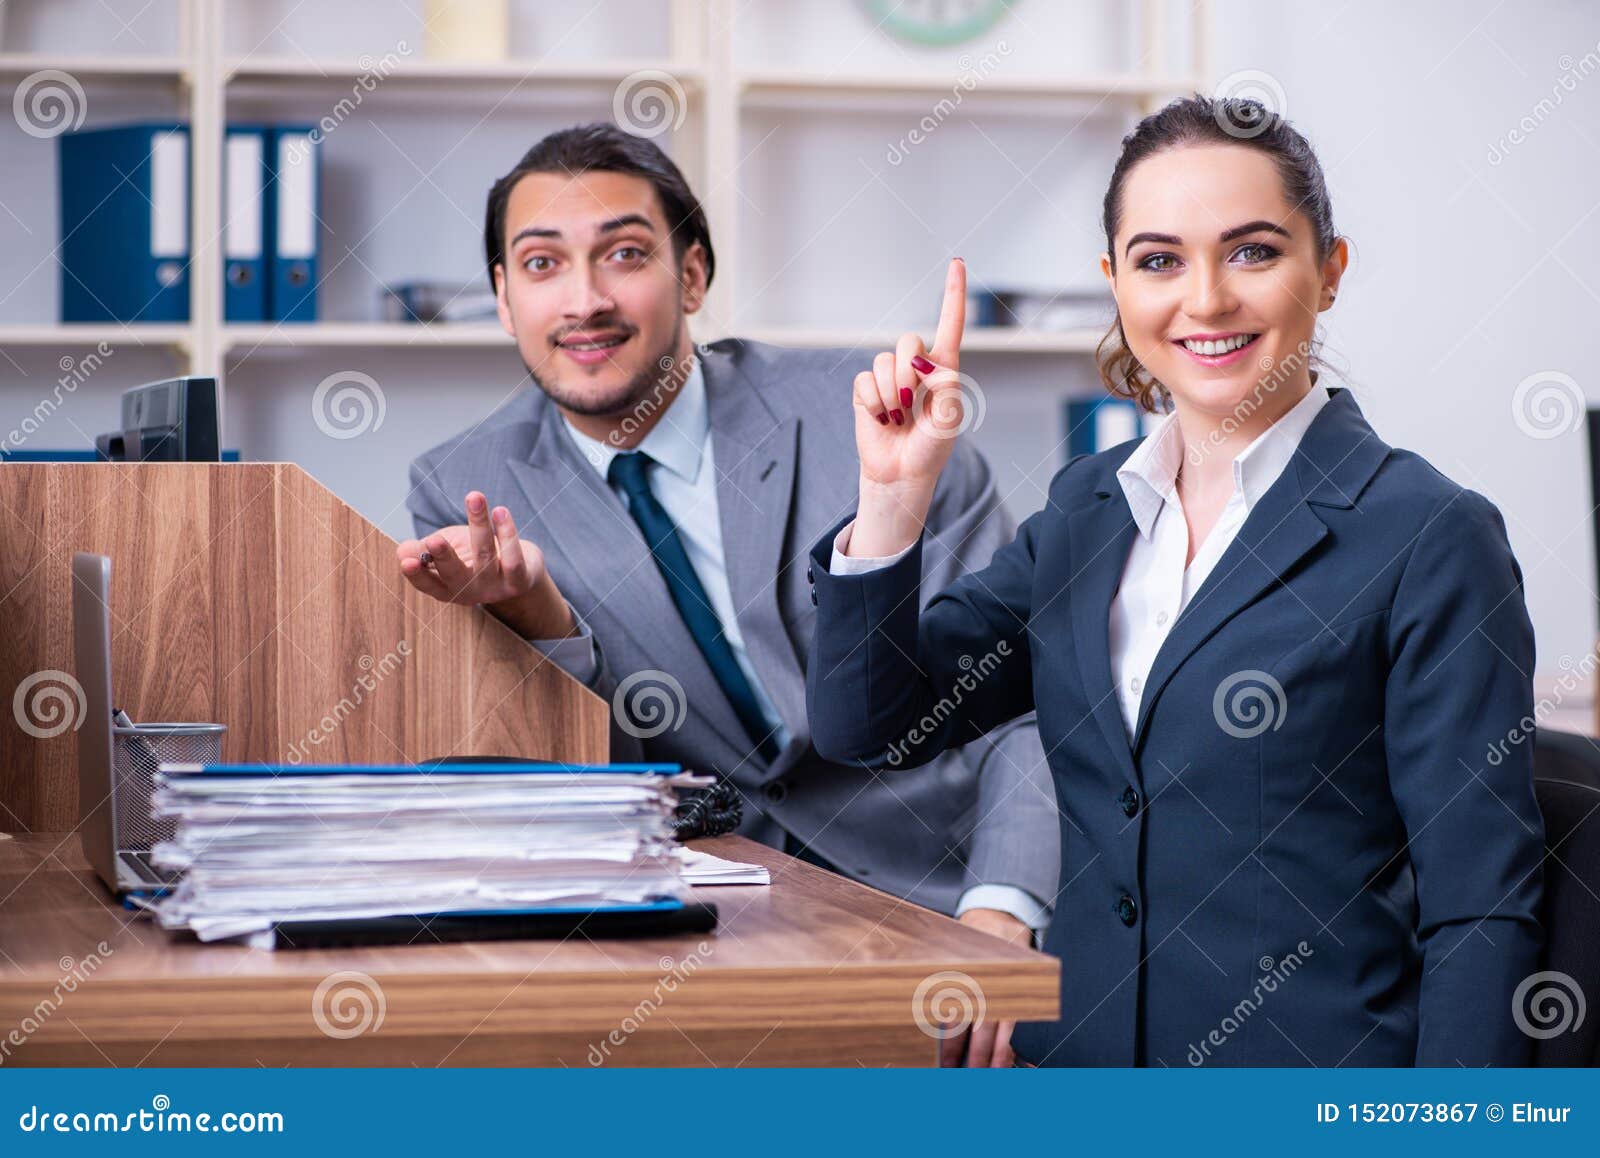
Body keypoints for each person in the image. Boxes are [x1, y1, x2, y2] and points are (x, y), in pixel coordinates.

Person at [805, 95, 1545, 1067]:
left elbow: (1480, 908)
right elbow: (871, 728)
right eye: (1158, 260)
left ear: (1328, 272)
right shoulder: (1086, 512)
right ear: (1115, 283)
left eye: (1251, 252)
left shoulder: (1427, 533)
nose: (1204, 300)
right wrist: (893, 503)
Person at [396, 123, 1058, 1066]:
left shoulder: (867, 416)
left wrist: (1003, 909)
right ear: (504, 298)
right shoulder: (461, 487)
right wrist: (542, 622)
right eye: (542, 264)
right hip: (690, 931)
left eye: (625, 254)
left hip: (943, 885)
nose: (585, 301)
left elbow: (1019, 699)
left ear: (693, 276)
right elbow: (540, 799)